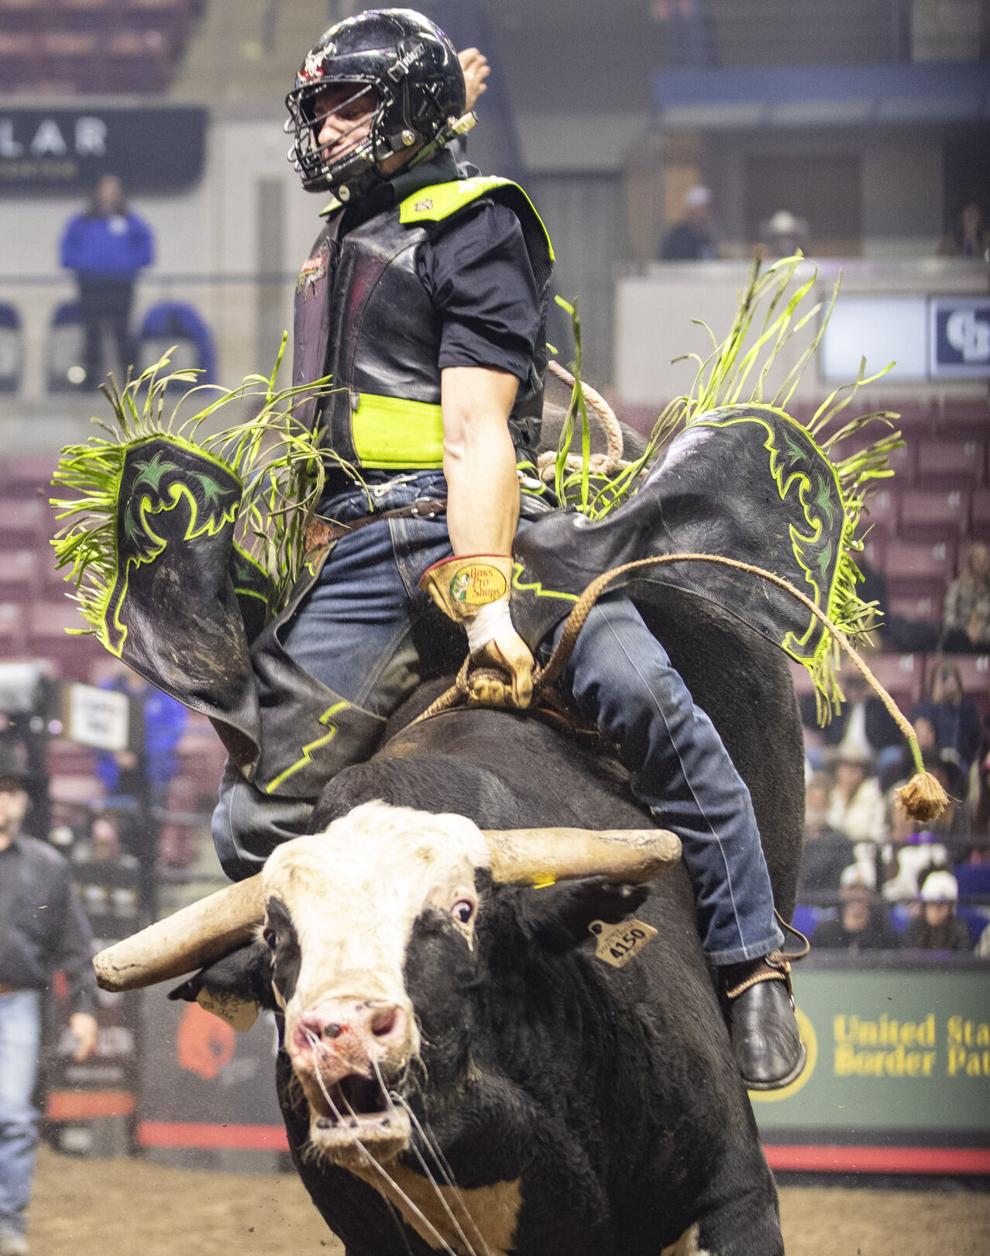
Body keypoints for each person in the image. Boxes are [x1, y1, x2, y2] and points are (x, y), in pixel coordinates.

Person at [211, 9, 802, 1089]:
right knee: (247, 810)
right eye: (320, 108)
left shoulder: (479, 222)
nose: (326, 128)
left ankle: (752, 956)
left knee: (649, 696)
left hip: (478, 530)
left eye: (349, 105)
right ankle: (299, 980)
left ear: (408, 117)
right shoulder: (344, 231)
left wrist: (486, 603)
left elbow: (478, 431)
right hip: (354, 550)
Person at [0, 748, 98, 1256]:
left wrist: (83, 1009)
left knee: (13, 1116)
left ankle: (7, 1226)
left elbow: (74, 946)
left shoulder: (47, 867)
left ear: (20, 802)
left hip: (16, 1003)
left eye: (9, 791)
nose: (3, 800)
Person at [58, 173, 154, 390]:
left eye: (113, 190)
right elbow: (67, 249)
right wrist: (82, 265)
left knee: (123, 335)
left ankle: (133, 386)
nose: (108, 195)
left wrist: (128, 265)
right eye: (105, 190)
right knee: (92, 336)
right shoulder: (82, 222)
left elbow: (146, 248)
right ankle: (90, 385)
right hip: (90, 285)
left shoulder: (131, 221)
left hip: (121, 285)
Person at [910, 661, 982, 777]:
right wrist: (937, 701)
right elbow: (920, 731)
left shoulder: (967, 707)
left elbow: (975, 737)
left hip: (961, 758)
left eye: (952, 678)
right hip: (933, 759)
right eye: (943, 678)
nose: (948, 684)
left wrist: (956, 702)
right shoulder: (925, 706)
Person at [811, 862, 902, 952]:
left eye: (863, 889)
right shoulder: (825, 931)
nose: (858, 894)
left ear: (871, 894)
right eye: (852, 888)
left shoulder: (883, 932)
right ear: (842, 892)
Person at [797, 773, 854, 903]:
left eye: (819, 804)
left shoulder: (840, 842)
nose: (812, 808)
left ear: (828, 805)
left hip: (823, 906)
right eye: (810, 802)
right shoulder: (792, 838)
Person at [904, 869, 971, 951]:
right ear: (924, 906)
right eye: (931, 904)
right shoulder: (914, 927)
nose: (935, 910)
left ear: (950, 907)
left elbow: (963, 959)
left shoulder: (959, 929)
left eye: (941, 905)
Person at [942, 541, 990, 653]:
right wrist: (965, 631)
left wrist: (983, 634)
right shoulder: (956, 587)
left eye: (986, 558)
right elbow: (949, 617)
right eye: (978, 558)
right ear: (970, 561)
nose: (982, 562)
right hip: (962, 638)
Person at [658, 185, 718, 260]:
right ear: (690, 211)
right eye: (700, 209)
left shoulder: (705, 237)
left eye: (707, 209)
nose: (704, 215)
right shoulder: (677, 237)